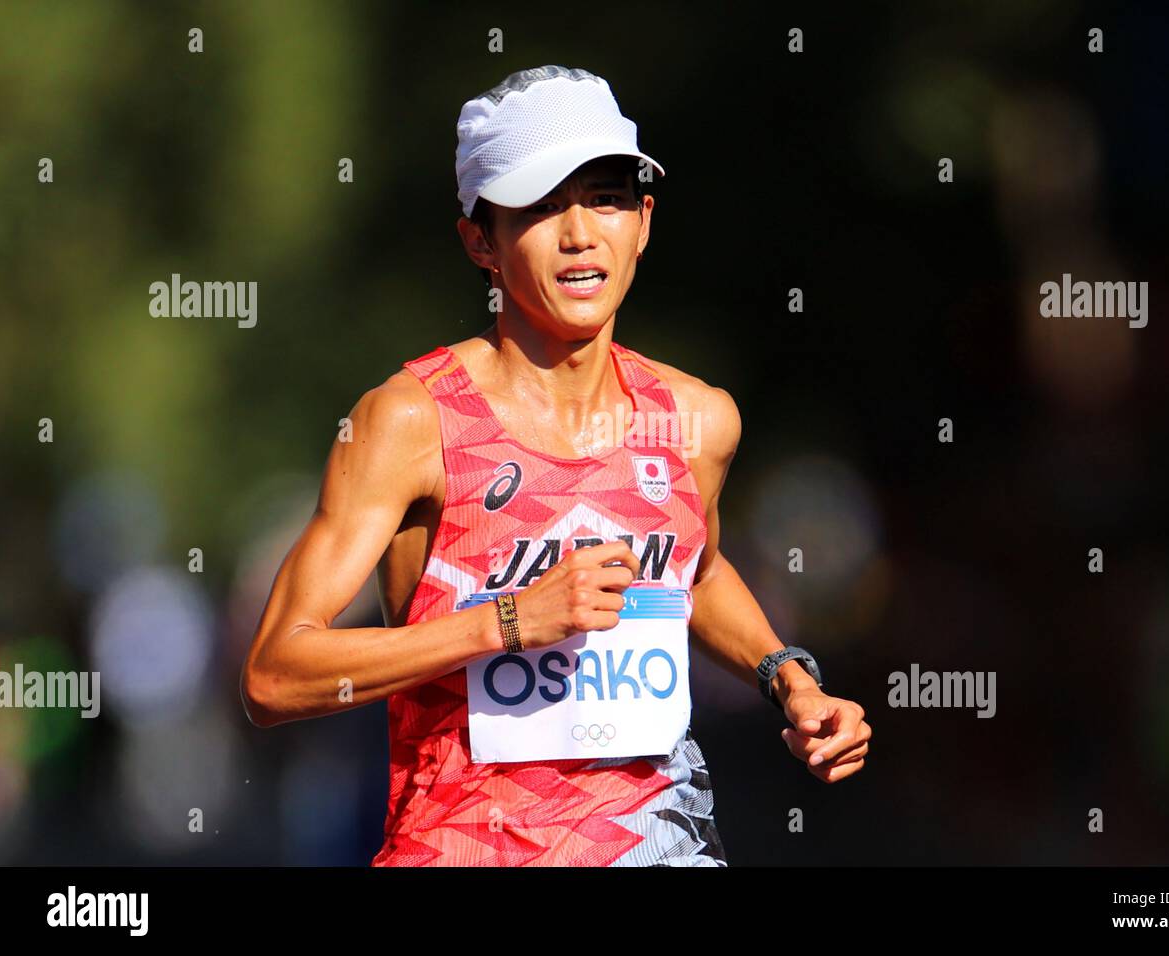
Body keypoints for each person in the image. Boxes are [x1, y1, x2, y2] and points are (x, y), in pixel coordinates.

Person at [240, 65, 871, 866]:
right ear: (480, 241)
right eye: (540, 205)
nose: (580, 234)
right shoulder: (410, 421)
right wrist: (508, 623)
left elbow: (695, 569)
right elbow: (274, 674)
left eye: (605, 198)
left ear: (643, 221)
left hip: (656, 843)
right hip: (465, 845)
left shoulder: (696, 420)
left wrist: (789, 677)